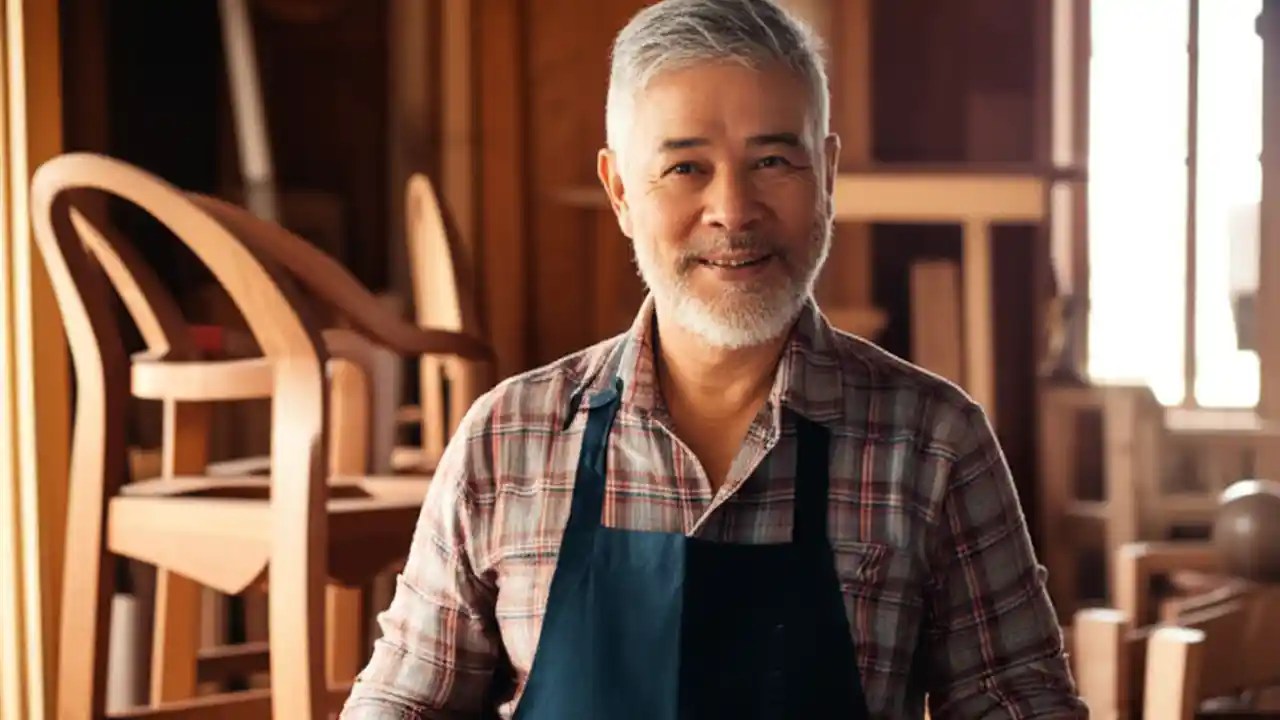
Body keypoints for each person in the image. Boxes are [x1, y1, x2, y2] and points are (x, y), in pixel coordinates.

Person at [341, 0, 1086, 717]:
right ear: (622, 190)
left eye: (771, 160)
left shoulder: (934, 442)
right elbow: (407, 703)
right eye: (686, 168)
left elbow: (1017, 705)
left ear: (826, 176)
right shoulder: (509, 437)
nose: (733, 209)